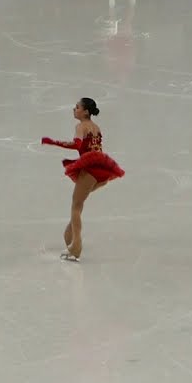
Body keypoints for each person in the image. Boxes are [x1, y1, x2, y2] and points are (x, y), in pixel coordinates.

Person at [40, 97, 125, 262]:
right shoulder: (96, 127)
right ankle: (70, 233)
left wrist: (53, 142)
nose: (74, 109)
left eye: (77, 107)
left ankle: (76, 247)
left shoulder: (80, 126)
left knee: (76, 206)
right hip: (102, 170)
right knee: (79, 204)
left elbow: (76, 145)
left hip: (90, 169)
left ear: (85, 111)